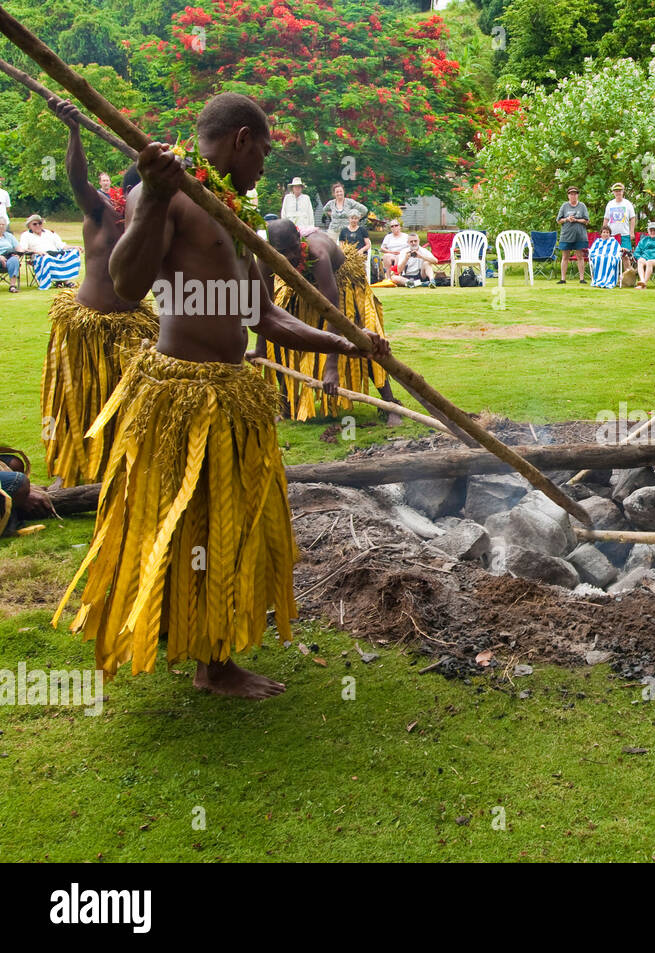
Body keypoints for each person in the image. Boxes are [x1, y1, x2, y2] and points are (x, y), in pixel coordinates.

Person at [55, 92, 388, 697]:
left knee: (229, 526)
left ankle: (209, 648)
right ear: (239, 139)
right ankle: (211, 664)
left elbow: (264, 317)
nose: (264, 162)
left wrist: (349, 344)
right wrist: (152, 195)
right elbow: (129, 286)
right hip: (181, 396)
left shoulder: (234, 212)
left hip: (233, 394)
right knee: (195, 524)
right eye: (262, 149)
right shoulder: (165, 193)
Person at [39, 97, 158, 489]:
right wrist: (74, 131)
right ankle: (72, 471)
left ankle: (124, 467)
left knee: (129, 401)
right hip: (89, 326)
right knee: (82, 402)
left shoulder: (155, 222)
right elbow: (76, 179)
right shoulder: (101, 212)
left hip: (133, 326)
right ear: (128, 194)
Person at [263, 218, 402, 424]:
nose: (292, 256)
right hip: (302, 289)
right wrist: (260, 347)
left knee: (363, 340)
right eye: (284, 252)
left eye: (294, 248)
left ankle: (391, 403)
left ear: (299, 239)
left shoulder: (317, 253)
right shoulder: (266, 257)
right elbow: (265, 306)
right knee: (279, 342)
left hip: (342, 286)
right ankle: (287, 407)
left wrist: (331, 367)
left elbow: (332, 307)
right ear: (273, 249)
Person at [18, 214, 81, 289]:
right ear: (29, 226)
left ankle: (60, 281)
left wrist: (74, 247)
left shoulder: (49, 233)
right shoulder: (26, 235)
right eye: (35, 224)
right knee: (47, 259)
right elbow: (23, 249)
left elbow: (61, 245)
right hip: (39, 256)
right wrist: (36, 252)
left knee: (74, 253)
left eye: (40, 223)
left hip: (55, 254)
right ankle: (66, 282)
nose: (38, 225)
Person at [556, 186, 589, 284]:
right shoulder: (564, 206)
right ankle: (563, 279)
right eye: (571, 194)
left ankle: (581, 278)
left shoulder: (582, 206)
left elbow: (586, 220)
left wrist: (576, 220)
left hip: (580, 235)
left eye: (575, 194)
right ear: (568, 196)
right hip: (566, 235)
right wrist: (567, 219)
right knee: (565, 256)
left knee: (580, 256)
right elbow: (558, 220)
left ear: (577, 195)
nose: (573, 196)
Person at [602, 183, 636, 251]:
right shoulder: (610, 204)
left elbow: (632, 218)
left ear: (623, 191)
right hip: (611, 235)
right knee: (611, 254)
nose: (618, 193)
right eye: (616, 191)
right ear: (613, 192)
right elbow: (606, 219)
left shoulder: (628, 203)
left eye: (619, 191)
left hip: (624, 235)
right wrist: (603, 232)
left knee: (626, 255)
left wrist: (632, 232)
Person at [0, 224, 19, 293]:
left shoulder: (9, 236)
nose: (1, 226)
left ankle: (12, 286)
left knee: (14, 260)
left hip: (8, 257)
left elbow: (19, 248)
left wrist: (18, 254)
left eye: (3, 224)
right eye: (0, 224)